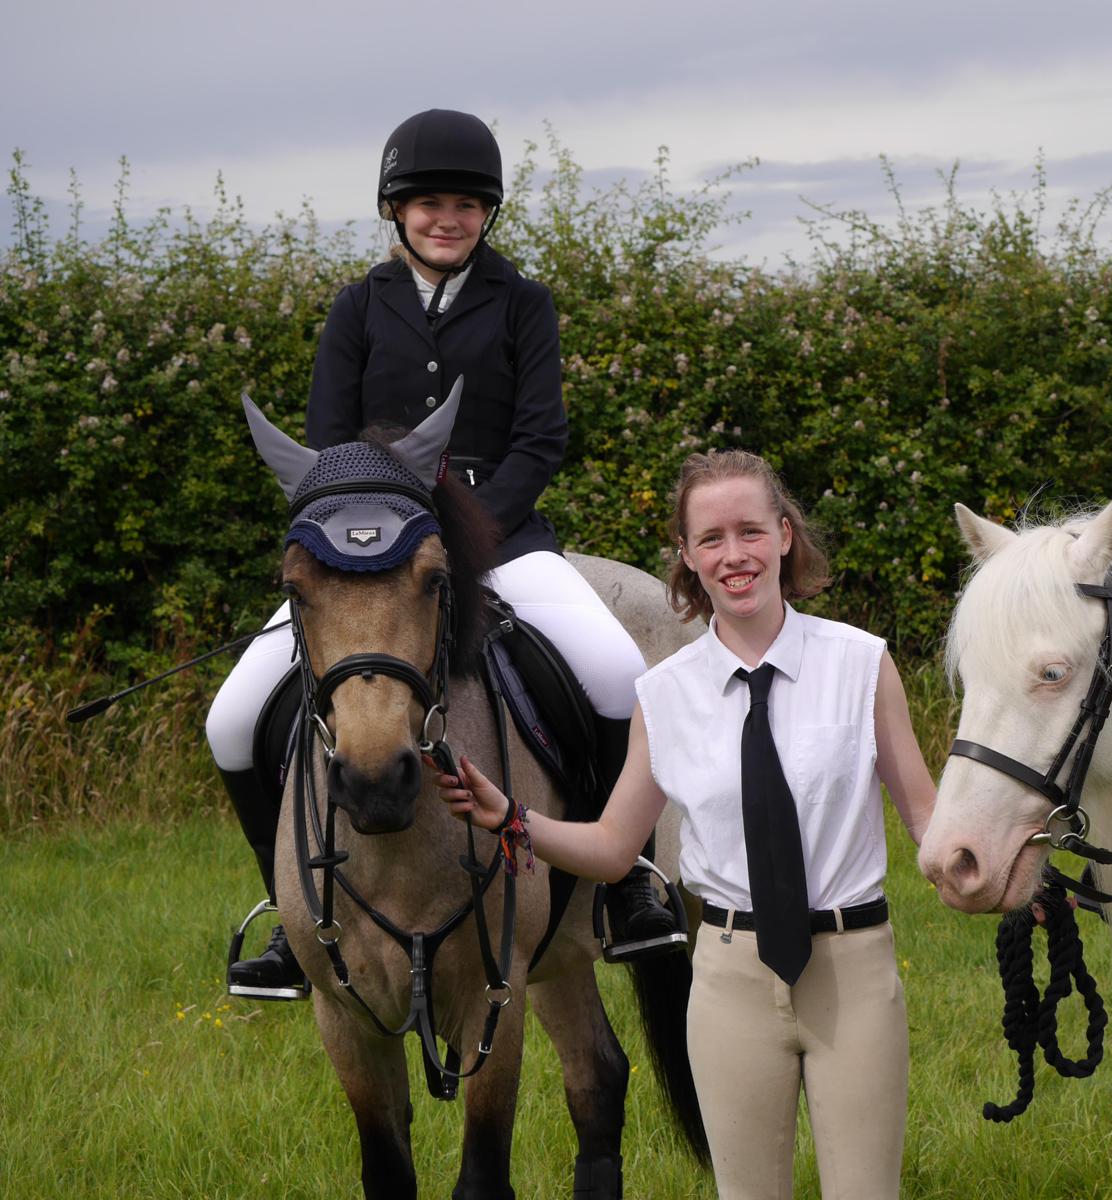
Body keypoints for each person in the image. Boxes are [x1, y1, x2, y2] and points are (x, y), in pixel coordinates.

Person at [208, 109, 672, 999]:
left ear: (487, 213)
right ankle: (284, 912)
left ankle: (630, 889)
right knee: (230, 717)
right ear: (397, 211)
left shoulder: (522, 304)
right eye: (428, 205)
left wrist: (465, 538)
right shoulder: (358, 307)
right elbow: (324, 448)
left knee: (616, 670)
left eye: (465, 204)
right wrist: (385, 540)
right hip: (363, 558)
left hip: (503, 544)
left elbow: (540, 442)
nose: (446, 219)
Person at [437, 449, 936, 1199]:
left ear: (785, 536)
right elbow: (611, 849)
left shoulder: (864, 665)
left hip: (852, 970)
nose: (733, 555)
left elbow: (931, 826)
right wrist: (514, 818)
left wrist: (1010, 868)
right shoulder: (664, 692)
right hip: (729, 978)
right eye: (711, 539)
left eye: (750, 531)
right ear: (687, 557)